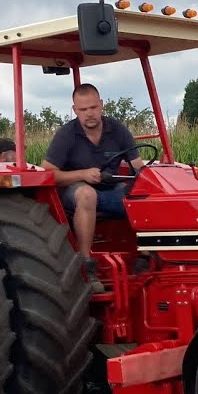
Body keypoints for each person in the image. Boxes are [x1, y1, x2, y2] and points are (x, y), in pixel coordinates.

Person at [42, 83, 143, 291]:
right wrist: (83, 174)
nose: (89, 114)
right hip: (72, 189)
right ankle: (86, 264)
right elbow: (48, 173)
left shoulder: (117, 130)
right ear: (75, 110)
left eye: (93, 107)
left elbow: (139, 167)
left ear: (102, 105)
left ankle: (145, 256)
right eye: (83, 109)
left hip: (109, 188)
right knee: (87, 194)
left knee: (144, 193)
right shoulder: (66, 135)